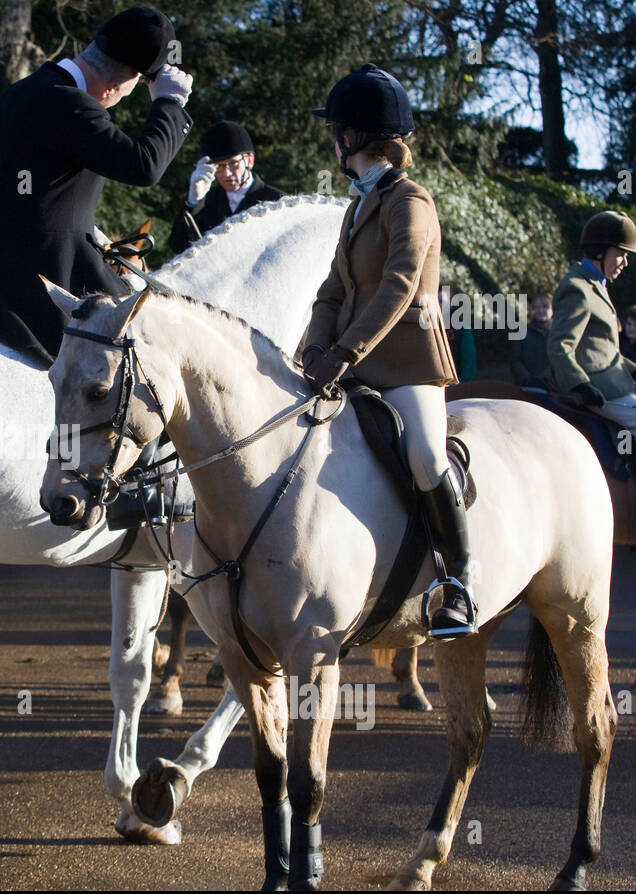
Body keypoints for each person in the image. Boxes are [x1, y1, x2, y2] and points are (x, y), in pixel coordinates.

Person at [299, 64, 472, 637]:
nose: (334, 141)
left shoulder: (410, 202)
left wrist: (344, 353)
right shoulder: (355, 208)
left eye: (336, 132)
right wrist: (313, 347)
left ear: (350, 137)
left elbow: (400, 285)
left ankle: (456, 581)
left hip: (405, 363)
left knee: (425, 455)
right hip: (348, 359)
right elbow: (333, 289)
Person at [0, 6, 194, 364]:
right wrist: (170, 104)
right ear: (123, 83)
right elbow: (144, 166)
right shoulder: (72, 104)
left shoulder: (25, 90)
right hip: (42, 283)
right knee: (149, 360)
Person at [547, 211, 636, 535]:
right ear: (601, 251)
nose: (625, 263)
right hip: (596, 388)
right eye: (622, 254)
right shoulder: (577, 287)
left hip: (612, 379)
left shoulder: (596, 285)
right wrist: (579, 385)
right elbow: (559, 346)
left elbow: (606, 351)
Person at [168, 120, 286, 253]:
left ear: (250, 160)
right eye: (219, 166)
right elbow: (177, 246)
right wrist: (193, 201)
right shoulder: (208, 201)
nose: (226, 174)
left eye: (233, 164)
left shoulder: (277, 201)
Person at [510, 292, 553, 389]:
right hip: (526, 386)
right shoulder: (521, 332)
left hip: (552, 387)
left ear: (552, 310)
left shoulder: (557, 333)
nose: (541, 310)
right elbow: (515, 360)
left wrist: (546, 378)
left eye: (545, 307)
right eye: (537, 307)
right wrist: (526, 378)